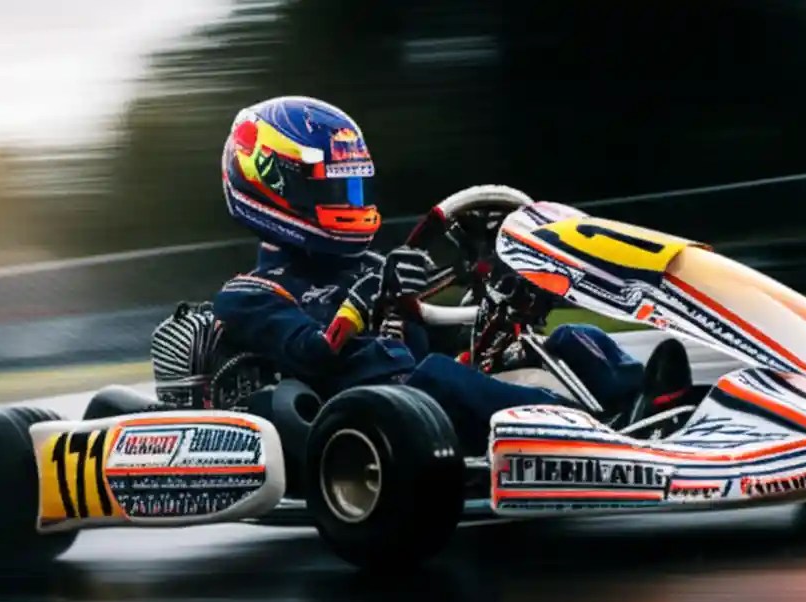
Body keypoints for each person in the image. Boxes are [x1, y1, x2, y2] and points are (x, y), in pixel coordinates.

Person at [152, 95, 646, 450]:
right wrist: (368, 297)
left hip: (427, 396)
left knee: (570, 338)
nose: (349, 202)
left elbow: (441, 336)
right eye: (331, 189)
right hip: (370, 415)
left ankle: (653, 401)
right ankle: (581, 426)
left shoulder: (370, 266)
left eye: (353, 188)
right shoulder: (250, 294)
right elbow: (314, 353)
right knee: (437, 376)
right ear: (274, 188)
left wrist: (504, 298)